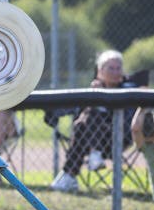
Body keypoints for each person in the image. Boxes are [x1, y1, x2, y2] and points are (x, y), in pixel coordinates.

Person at [50, 50, 136, 192]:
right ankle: (93, 155)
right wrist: (95, 95)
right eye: (111, 68)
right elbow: (75, 110)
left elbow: (127, 122)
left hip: (117, 139)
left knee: (84, 123)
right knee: (85, 121)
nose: (115, 72)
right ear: (100, 71)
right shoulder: (94, 89)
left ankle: (69, 175)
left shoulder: (129, 90)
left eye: (118, 68)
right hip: (89, 138)